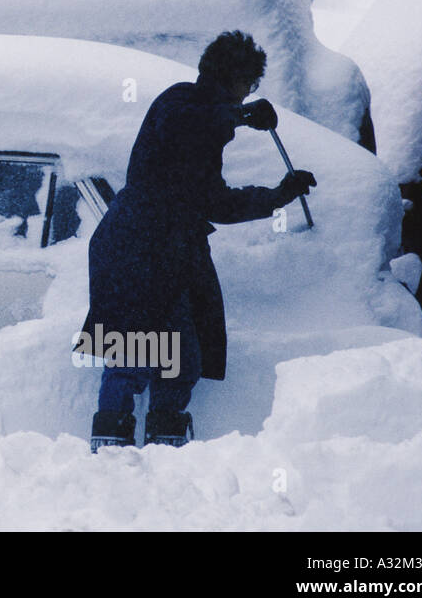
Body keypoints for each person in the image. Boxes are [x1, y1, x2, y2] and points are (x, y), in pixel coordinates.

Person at [81, 30, 317, 451]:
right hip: (134, 247)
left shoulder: (209, 128)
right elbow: (185, 125)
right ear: (232, 78)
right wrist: (240, 117)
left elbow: (215, 203)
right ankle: (110, 452)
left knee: (182, 355)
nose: (248, 96)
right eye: (248, 85)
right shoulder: (180, 102)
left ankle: (164, 446)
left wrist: (279, 194)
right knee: (134, 353)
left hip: (174, 251)